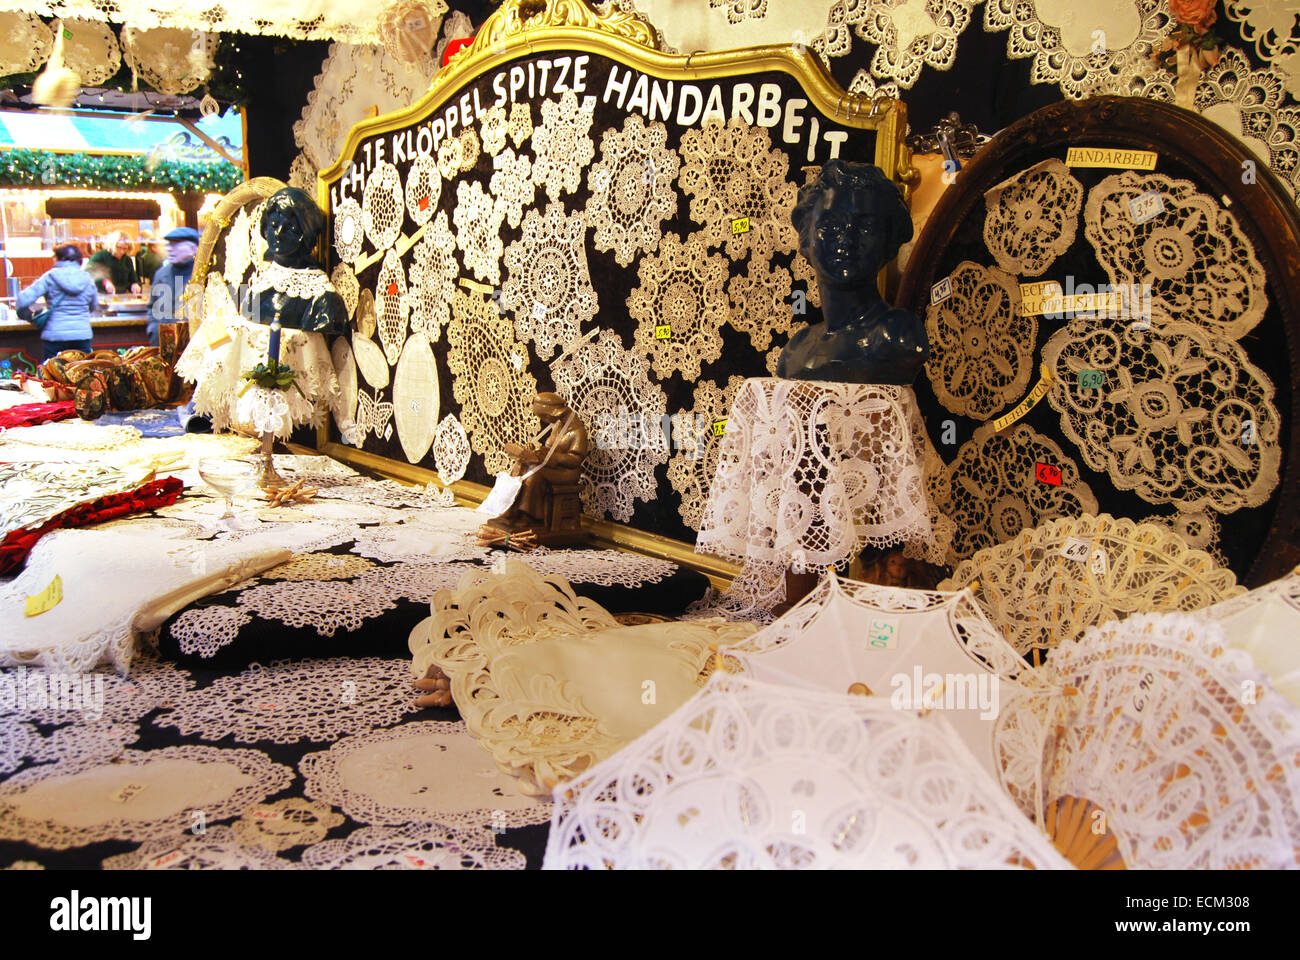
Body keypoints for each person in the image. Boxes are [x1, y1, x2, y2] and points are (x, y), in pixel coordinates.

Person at [777, 159, 929, 385]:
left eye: (866, 227)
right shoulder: (796, 350)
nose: (847, 239)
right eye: (831, 225)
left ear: (887, 242)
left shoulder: (895, 336)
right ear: (806, 238)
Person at [16, 244, 99, 360]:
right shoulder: (87, 279)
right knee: (82, 374)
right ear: (79, 260)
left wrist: (26, 314)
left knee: (52, 375)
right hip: (81, 335)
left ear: (58, 259)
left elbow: (23, 299)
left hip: (55, 336)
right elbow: (93, 305)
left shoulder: (50, 277)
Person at [147, 226, 199, 347]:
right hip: (166, 345)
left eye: (176, 245)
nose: (170, 249)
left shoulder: (205, 274)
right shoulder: (161, 274)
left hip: (195, 347)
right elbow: (152, 308)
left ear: (192, 249)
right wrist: (154, 332)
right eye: (169, 245)